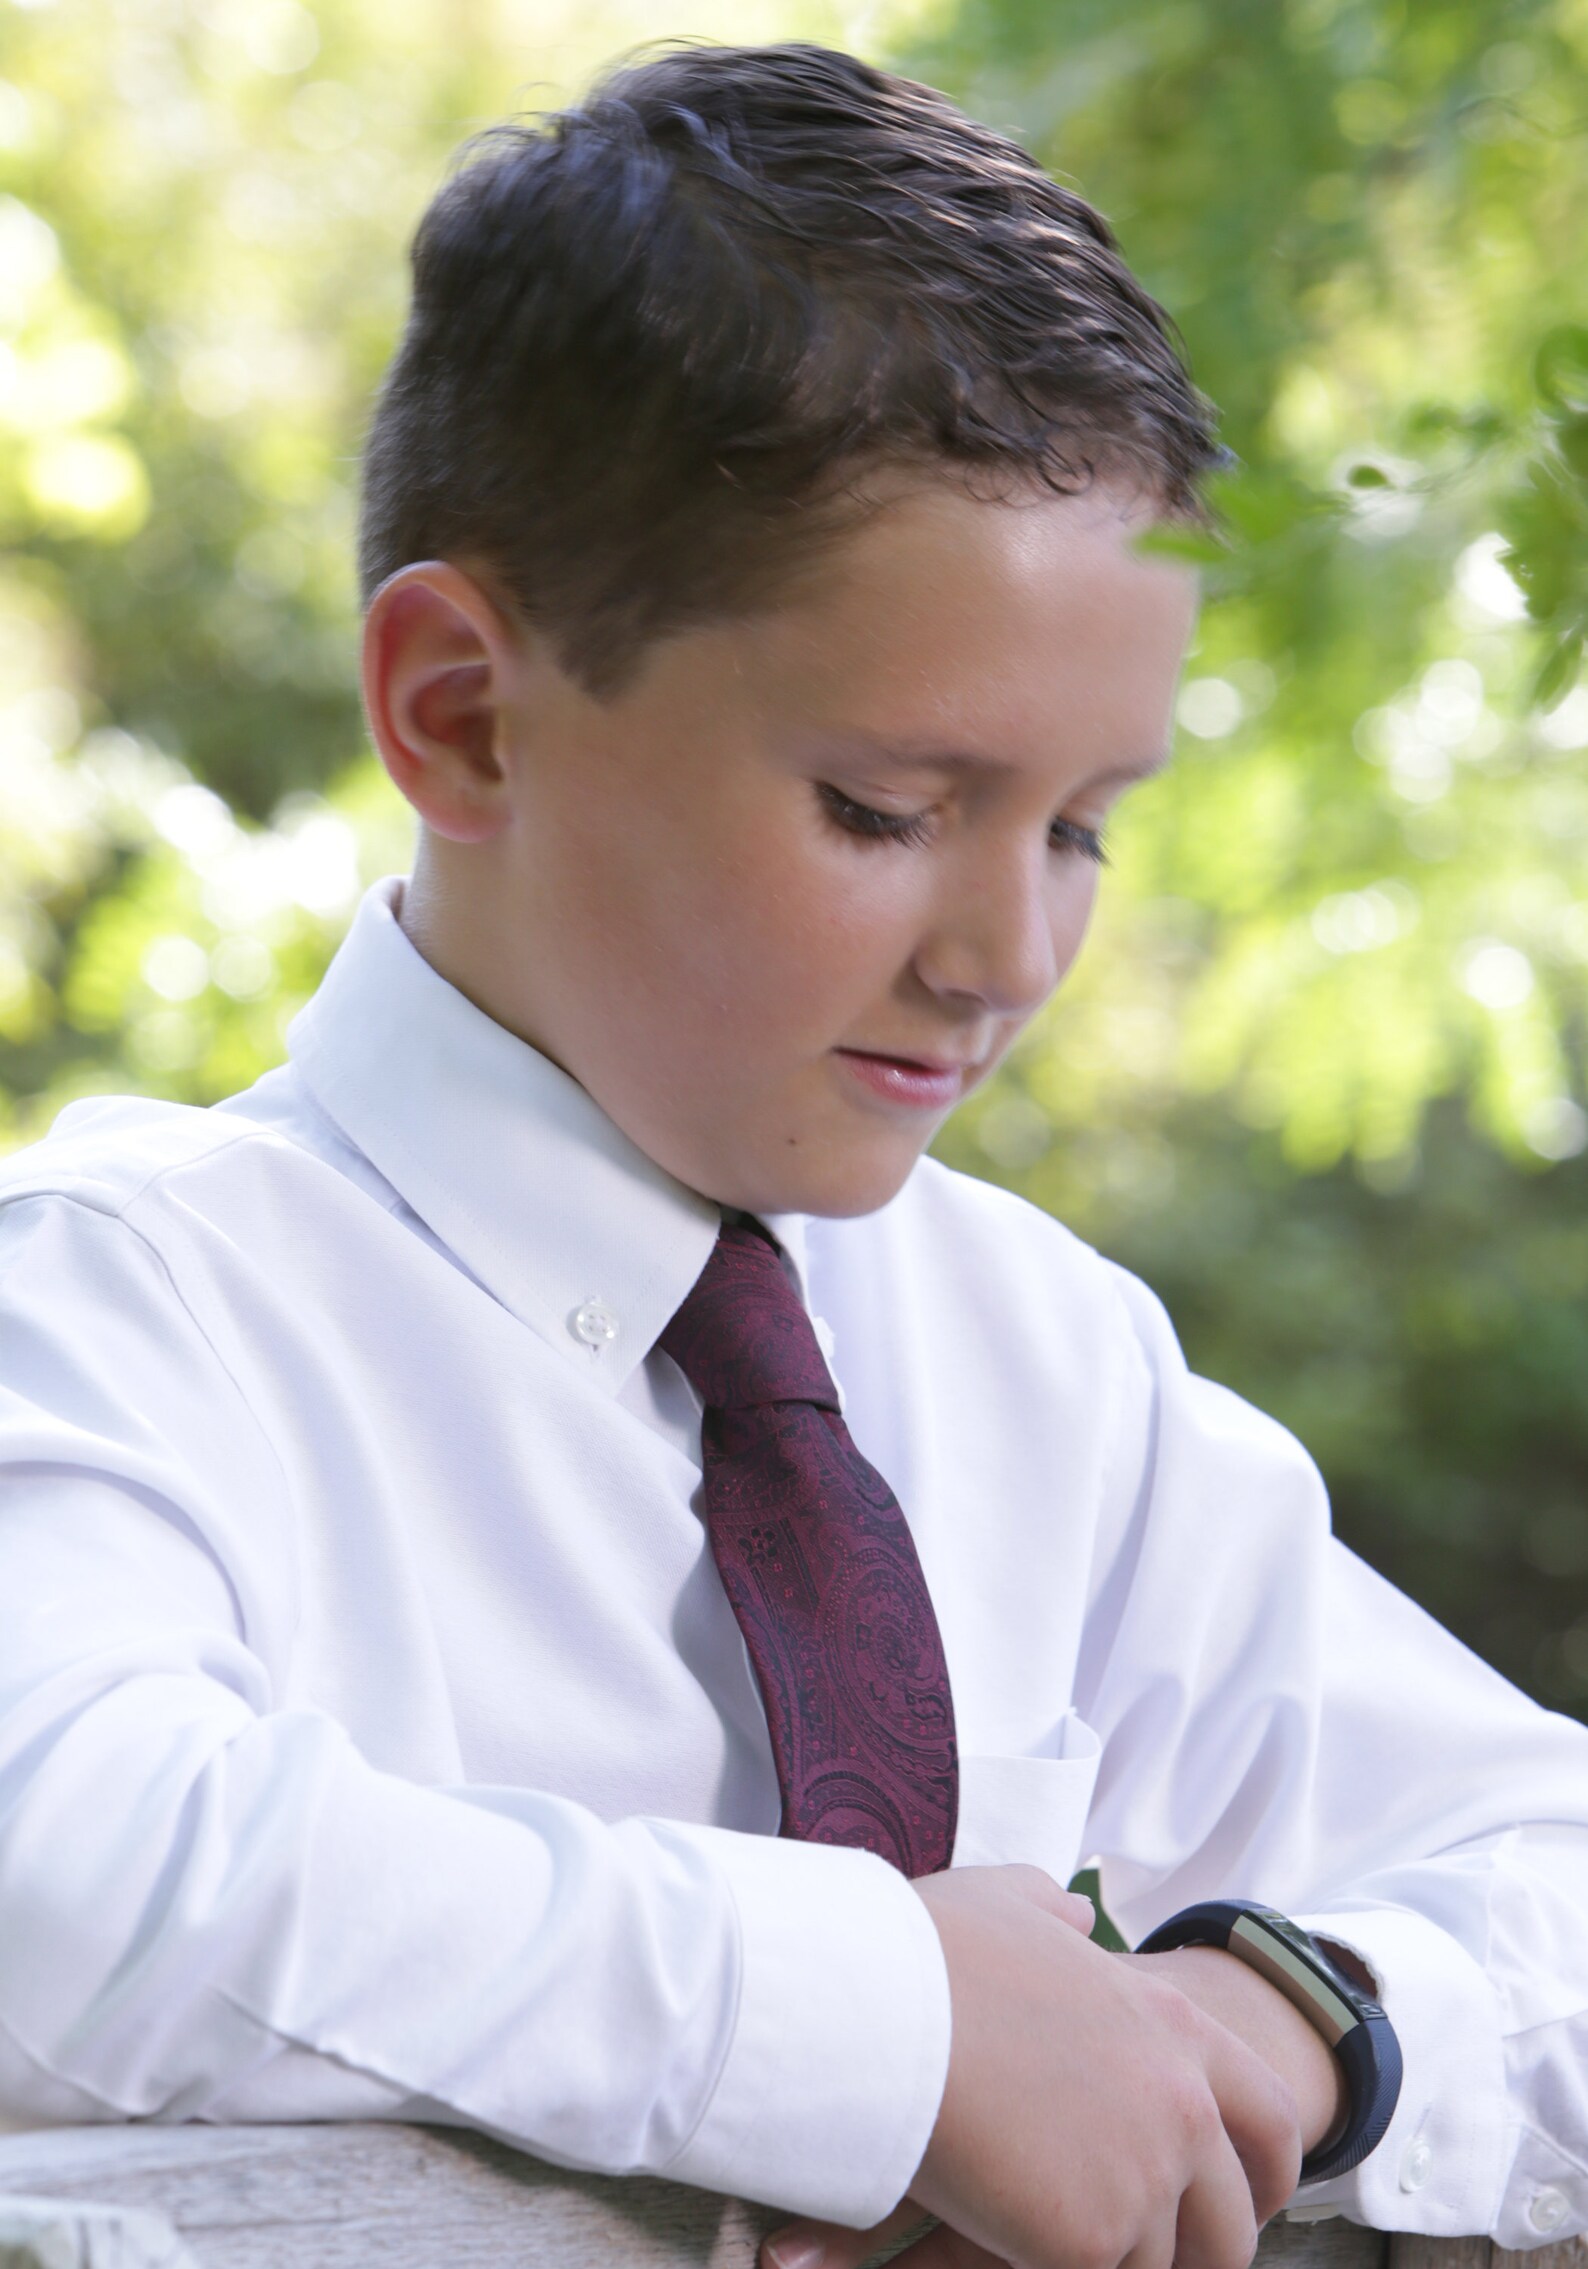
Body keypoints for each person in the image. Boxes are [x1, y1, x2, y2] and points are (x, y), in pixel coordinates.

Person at [0, 40, 1583, 2269]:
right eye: (885, 810)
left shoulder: (1047, 1370)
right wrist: (891, 2028)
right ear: (460, 711)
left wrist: (1286, 2022)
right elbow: (57, 1854)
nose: (1006, 951)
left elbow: (1549, 1868)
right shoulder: (111, 1310)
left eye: (1084, 826)